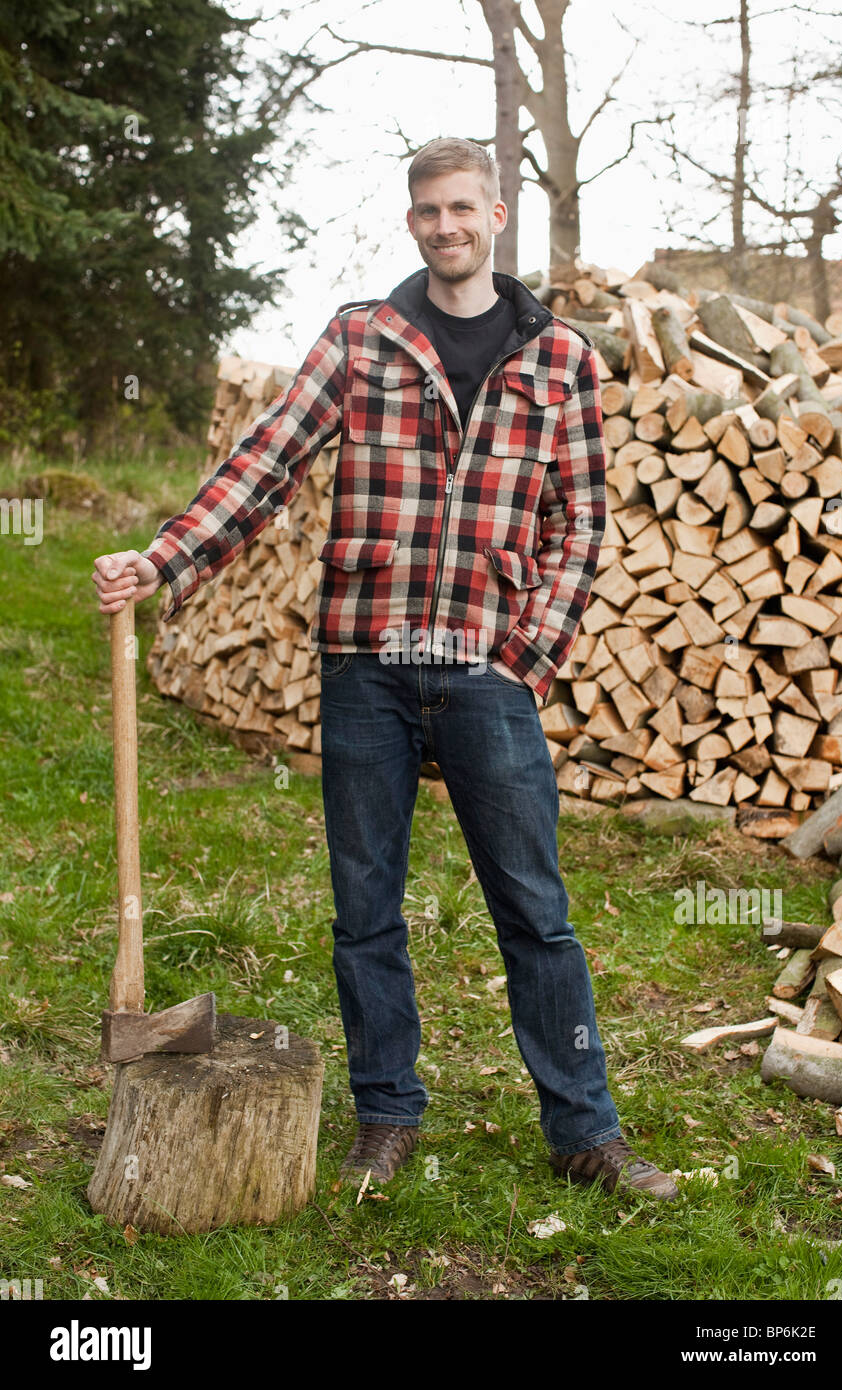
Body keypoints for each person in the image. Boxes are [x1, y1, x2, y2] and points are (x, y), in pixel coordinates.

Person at [93, 136, 678, 1203]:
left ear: (496, 217)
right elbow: (263, 463)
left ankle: (583, 1130)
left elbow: (581, 520)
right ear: (412, 222)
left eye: (463, 208)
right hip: (365, 664)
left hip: (484, 672)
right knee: (365, 909)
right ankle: (384, 1114)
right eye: (426, 211)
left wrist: (526, 655)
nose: (445, 226)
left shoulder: (559, 359)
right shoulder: (364, 339)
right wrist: (162, 559)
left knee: (534, 911)